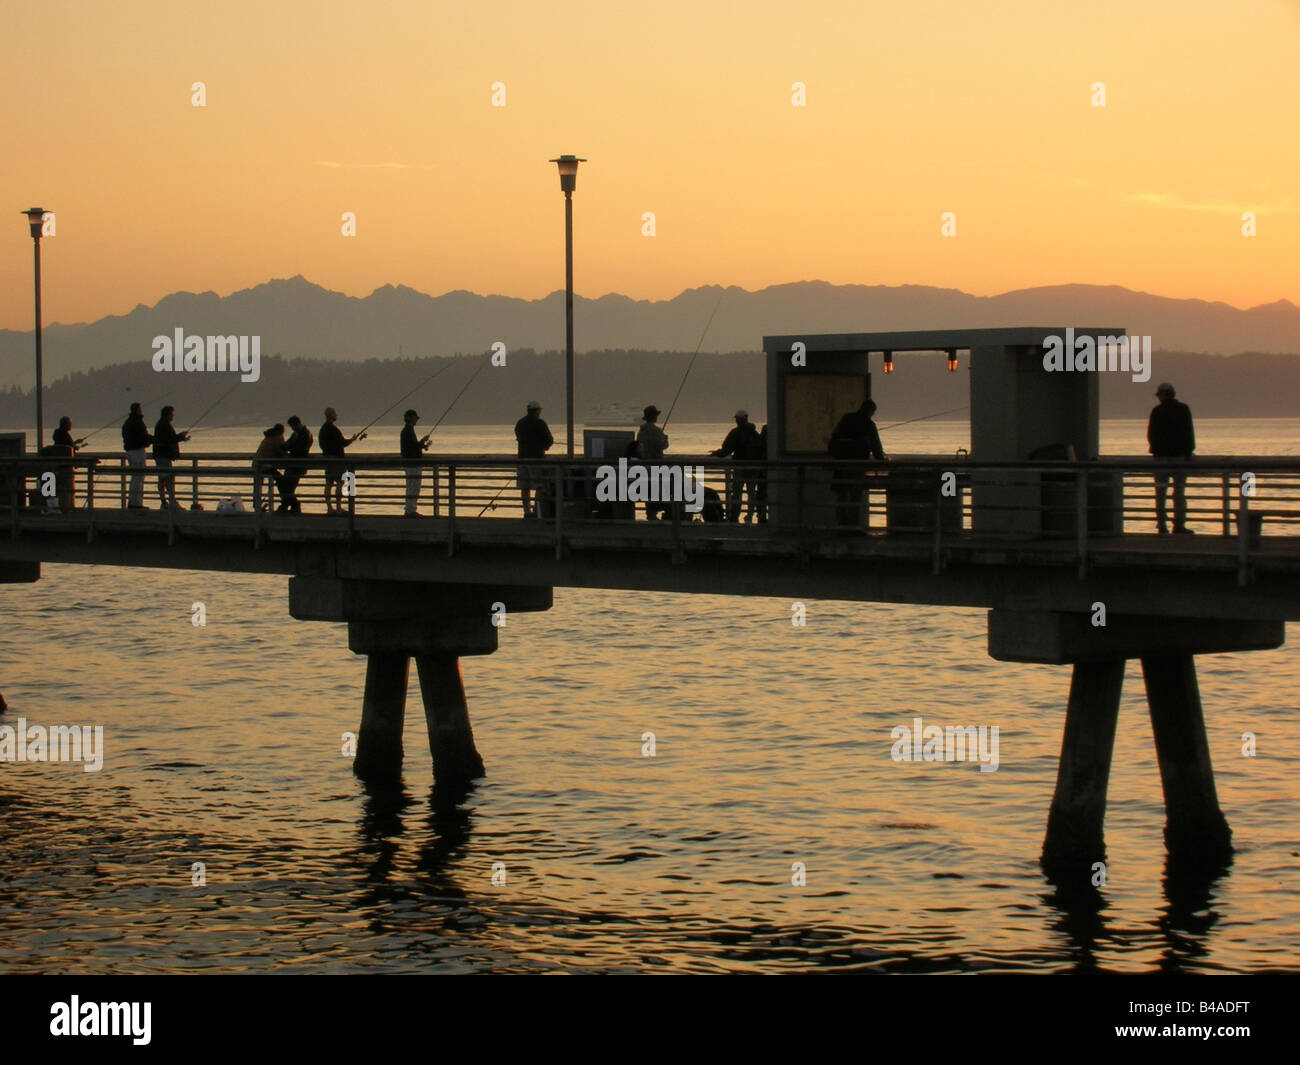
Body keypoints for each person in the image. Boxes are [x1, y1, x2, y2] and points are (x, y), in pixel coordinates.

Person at [829, 398, 886, 531]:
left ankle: (841, 526)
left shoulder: (846, 419)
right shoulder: (869, 425)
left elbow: (833, 439)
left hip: (841, 465)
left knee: (842, 496)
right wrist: (882, 460)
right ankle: (853, 527)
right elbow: (876, 447)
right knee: (855, 498)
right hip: (857, 466)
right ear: (870, 412)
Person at [1147, 382, 1196, 535]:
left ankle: (1162, 525)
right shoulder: (1183, 409)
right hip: (1179, 457)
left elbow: (1151, 434)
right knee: (1179, 493)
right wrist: (1188, 452)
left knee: (1161, 493)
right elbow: (1189, 432)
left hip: (1160, 458)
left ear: (1162, 395)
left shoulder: (1157, 411)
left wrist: (1156, 450)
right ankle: (1179, 525)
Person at [711, 409, 763, 522]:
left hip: (739, 466)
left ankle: (734, 517)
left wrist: (717, 453)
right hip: (754, 467)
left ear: (738, 420)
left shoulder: (735, 432)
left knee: (737, 493)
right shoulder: (754, 433)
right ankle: (750, 516)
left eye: (737, 419)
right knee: (751, 493)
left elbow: (727, 449)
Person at [319, 408, 365, 515]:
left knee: (329, 483)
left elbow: (323, 444)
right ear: (331, 415)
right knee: (340, 483)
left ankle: (329, 508)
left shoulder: (323, 429)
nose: (336, 415)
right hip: (337, 460)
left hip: (328, 460)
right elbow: (342, 443)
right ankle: (338, 507)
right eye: (335, 413)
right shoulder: (333, 429)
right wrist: (352, 440)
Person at [514, 400, 554, 518]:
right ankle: (538, 511)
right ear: (537, 411)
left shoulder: (520, 423)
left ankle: (527, 511)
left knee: (524, 487)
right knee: (539, 486)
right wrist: (545, 446)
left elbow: (518, 436)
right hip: (536, 458)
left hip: (522, 458)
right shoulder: (540, 423)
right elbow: (549, 439)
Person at [153, 405, 190, 509]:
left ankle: (165, 502)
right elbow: (169, 439)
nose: (173, 416)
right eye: (172, 414)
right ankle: (170, 502)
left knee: (163, 478)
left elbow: (169, 438)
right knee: (167, 478)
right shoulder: (164, 424)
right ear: (168, 414)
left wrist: (181, 437)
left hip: (161, 455)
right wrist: (181, 436)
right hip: (163, 456)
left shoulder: (162, 424)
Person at [637, 405, 670, 520]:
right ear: (654, 417)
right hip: (656, 466)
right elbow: (662, 446)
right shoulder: (657, 431)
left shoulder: (640, 432)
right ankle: (659, 514)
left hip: (644, 467)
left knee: (649, 492)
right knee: (658, 491)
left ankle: (650, 515)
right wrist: (665, 439)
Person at [121, 402, 153, 509]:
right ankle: (136, 503)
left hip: (130, 452)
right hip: (137, 451)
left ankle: (133, 502)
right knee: (139, 477)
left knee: (135, 477)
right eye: (140, 409)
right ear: (138, 410)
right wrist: (153, 440)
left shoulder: (127, 422)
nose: (142, 410)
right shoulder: (137, 422)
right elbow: (143, 437)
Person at [400, 409, 431, 517]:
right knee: (413, 486)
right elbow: (413, 447)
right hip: (412, 463)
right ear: (410, 418)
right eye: (415, 418)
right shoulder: (408, 431)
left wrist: (422, 444)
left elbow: (412, 446)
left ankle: (410, 509)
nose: (416, 420)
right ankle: (410, 510)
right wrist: (422, 441)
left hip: (411, 463)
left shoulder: (407, 430)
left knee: (412, 486)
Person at [253, 424, 289, 512]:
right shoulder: (277, 438)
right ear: (281, 431)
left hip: (257, 464)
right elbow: (281, 451)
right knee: (281, 480)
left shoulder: (269, 436)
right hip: (265, 466)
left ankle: (256, 505)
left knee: (258, 485)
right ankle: (285, 501)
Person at [281, 415, 313, 513]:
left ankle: (292, 506)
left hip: (297, 465)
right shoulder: (297, 433)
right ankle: (288, 505)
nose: (292, 429)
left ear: (297, 424)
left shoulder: (305, 434)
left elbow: (301, 450)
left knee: (289, 487)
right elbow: (289, 444)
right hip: (293, 464)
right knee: (288, 486)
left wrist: (288, 447)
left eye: (292, 426)